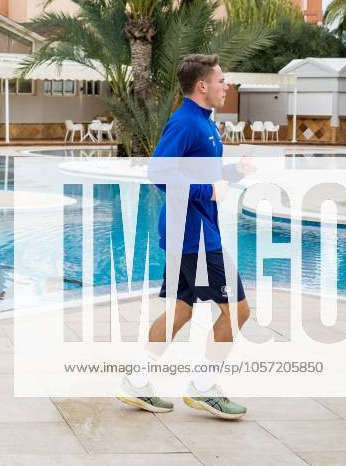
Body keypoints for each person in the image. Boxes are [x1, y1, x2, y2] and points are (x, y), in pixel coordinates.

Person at [117, 53, 252, 420]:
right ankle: (205, 388)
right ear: (202, 86)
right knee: (239, 310)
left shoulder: (204, 123)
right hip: (196, 236)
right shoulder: (186, 122)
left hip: (189, 232)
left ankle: (138, 381)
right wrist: (206, 192)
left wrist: (233, 172)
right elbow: (159, 172)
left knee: (180, 310)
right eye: (222, 80)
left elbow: (196, 173)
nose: (227, 86)